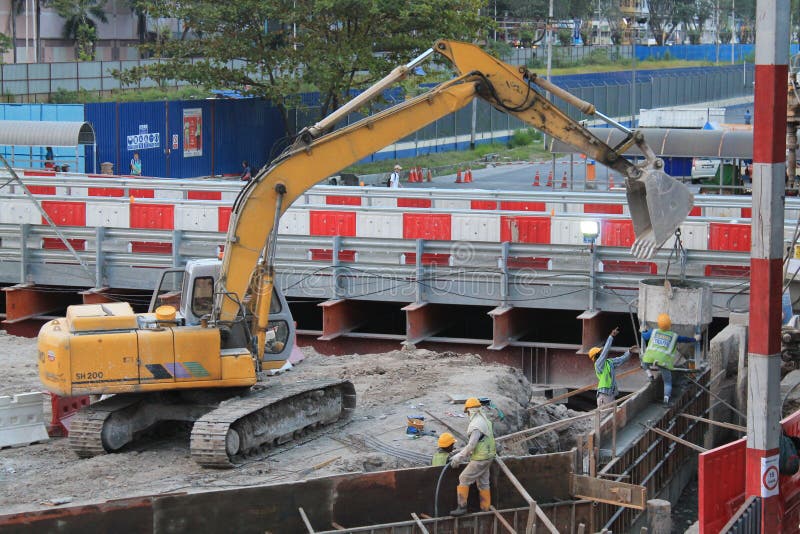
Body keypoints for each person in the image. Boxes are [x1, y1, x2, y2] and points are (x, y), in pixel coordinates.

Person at [449, 397, 495, 516]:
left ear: (470, 411)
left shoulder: (476, 425)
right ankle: (485, 508)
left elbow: (472, 445)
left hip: (481, 458)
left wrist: (459, 457)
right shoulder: (484, 420)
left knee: (464, 478)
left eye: (467, 412)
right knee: (483, 482)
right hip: (489, 456)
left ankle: (462, 507)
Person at [641, 313, 699, 405]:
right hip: (663, 361)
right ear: (669, 325)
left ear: (659, 324)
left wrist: (642, 331)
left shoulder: (653, 332)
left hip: (650, 358)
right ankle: (666, 400)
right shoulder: (674, 336)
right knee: (667, 382)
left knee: (643, 362)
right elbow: (685, 339)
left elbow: (644, 336)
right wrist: (695, 339)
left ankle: (650, 375)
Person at [589, 327, 633, 408]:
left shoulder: (609, 363)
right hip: (604, 395)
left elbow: (621, 360)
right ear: (596, 356)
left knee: (612, 414)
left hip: (610, 394)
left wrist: (629, 352)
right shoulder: (598, 364)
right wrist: (611, 336)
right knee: (606, 414)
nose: (602, 352)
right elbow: (605, 352)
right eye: (600, 352)